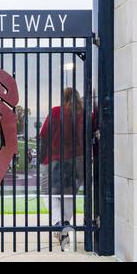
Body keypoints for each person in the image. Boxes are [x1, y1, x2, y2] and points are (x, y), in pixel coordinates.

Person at [39, 88, 84, 244]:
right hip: (76, 161)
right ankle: (65, 223)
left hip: (53, 159)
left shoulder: (56, 112)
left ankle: (59, 223)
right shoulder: (82, 115)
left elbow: (43, 134)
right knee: (69, 196)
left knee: (48, 193)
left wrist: (41, 157)